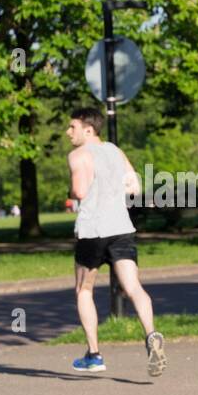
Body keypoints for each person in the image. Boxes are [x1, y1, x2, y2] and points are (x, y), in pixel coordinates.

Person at [65, 107, 167, 376]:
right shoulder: (114, 150)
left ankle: (94, 354)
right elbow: (134, 186)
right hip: (122, 227)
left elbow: (79, 191)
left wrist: (73, 190)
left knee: (83, 290)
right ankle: (152, 334)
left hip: (92, 230)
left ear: (88, 129)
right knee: (133, 287)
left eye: (72, 127)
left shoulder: (78, 155)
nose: (68, 132)